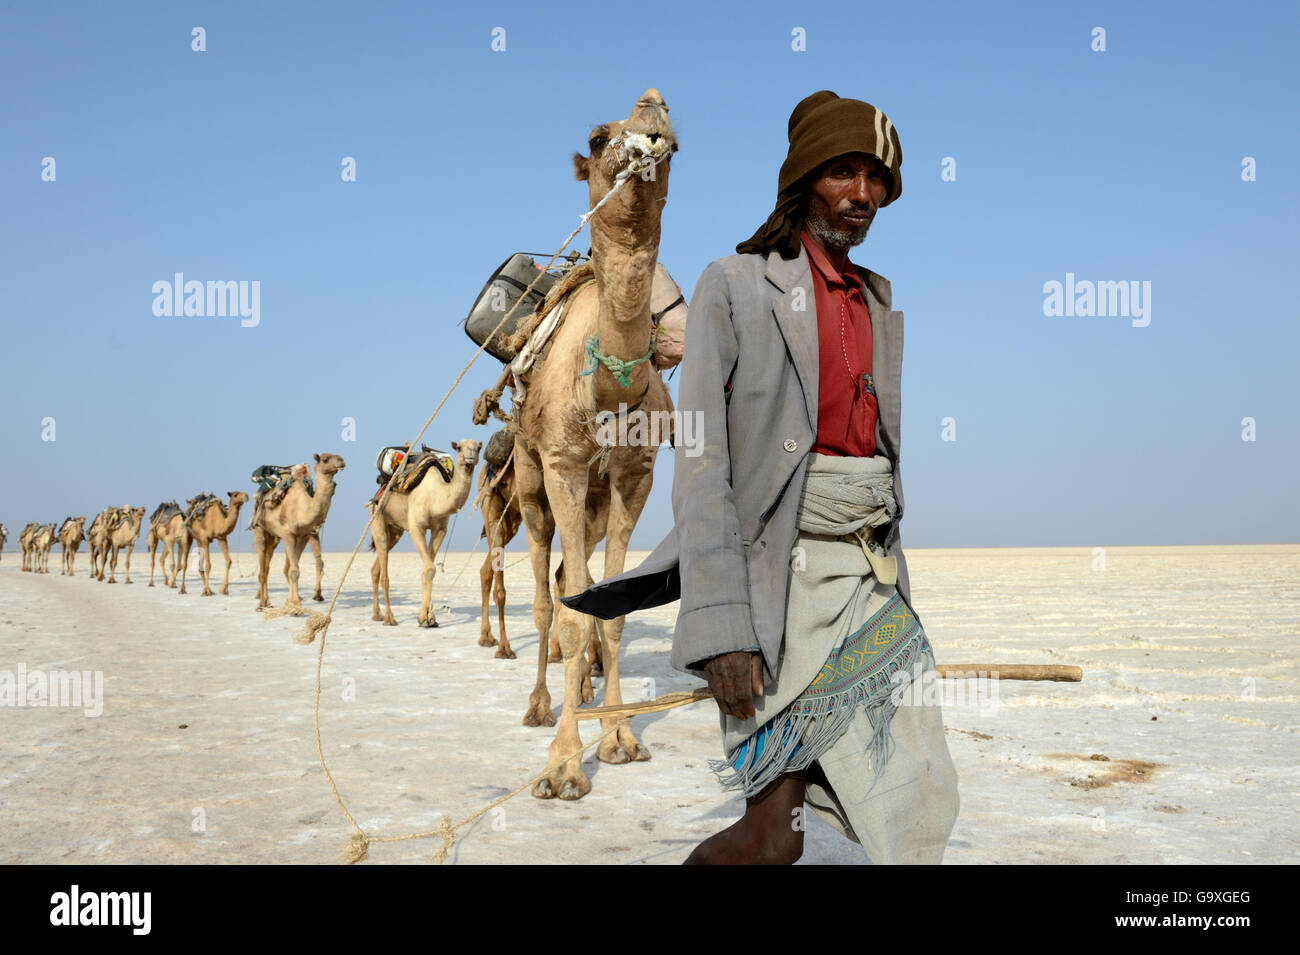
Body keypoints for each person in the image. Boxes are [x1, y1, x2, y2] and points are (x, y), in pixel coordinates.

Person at [562, 91, 959, 864]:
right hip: (777, 584)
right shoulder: (735, 287)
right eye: (844, 172)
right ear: (806, 178)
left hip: (870, 582)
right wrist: (721, 628)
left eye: (876, 178)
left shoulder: (876, 303)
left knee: (917, 802)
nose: (863, 194)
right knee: (775, 839)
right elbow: (703, 463)